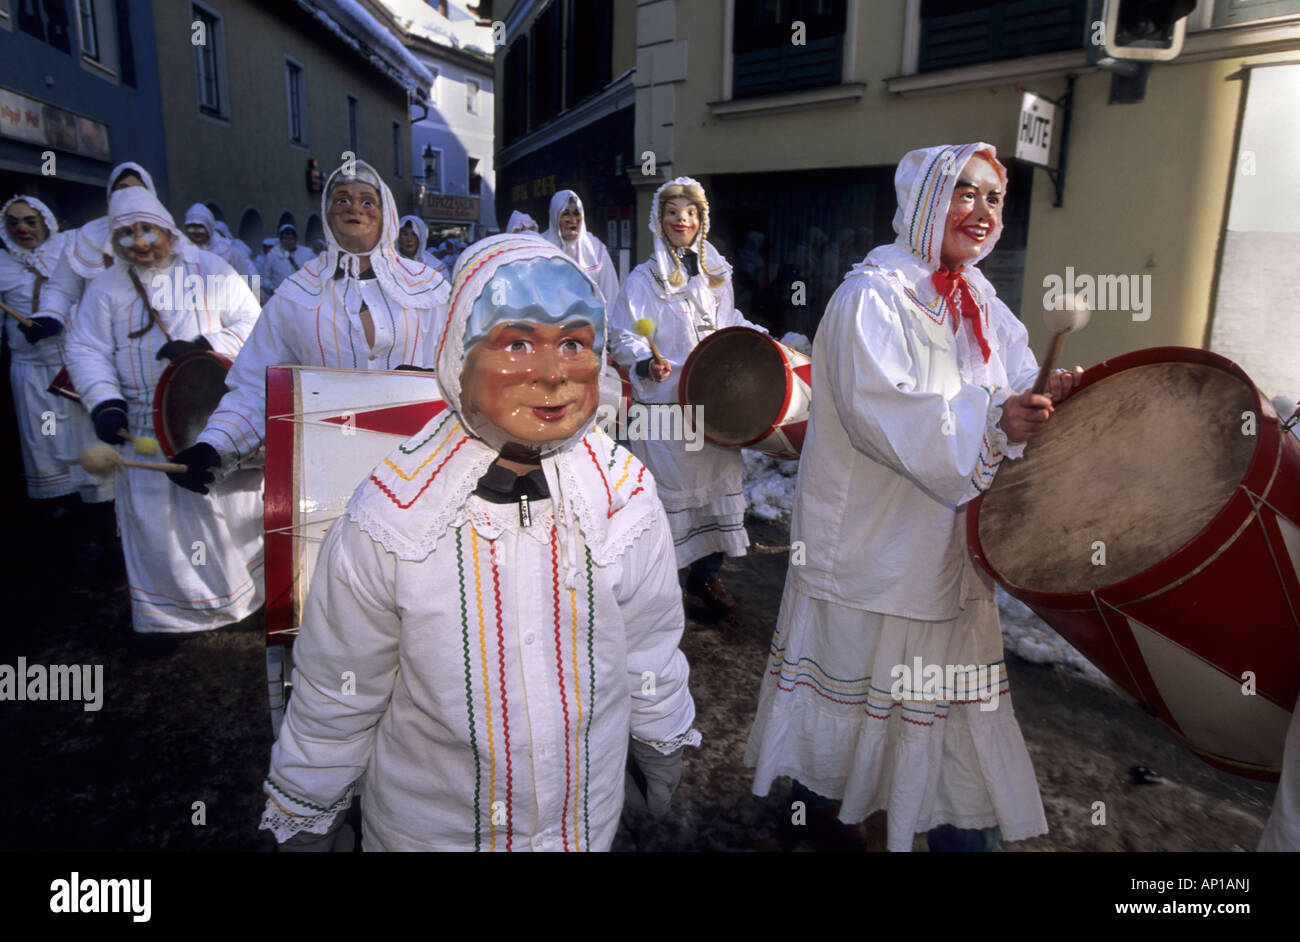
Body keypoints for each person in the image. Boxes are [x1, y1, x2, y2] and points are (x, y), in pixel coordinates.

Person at [259, 232, 699, 851]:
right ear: (456, 358)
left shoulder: (623, 497)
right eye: (516, 343)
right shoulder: (393, 517)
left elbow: (651, 640)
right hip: (433, 831)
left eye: (574, 344)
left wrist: (660, 734)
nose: (551, 375)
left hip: (581, 823)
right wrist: (310, 801)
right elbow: (339, 684)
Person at [745, 143, 1082, 852]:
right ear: (925, 201)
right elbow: (891, 416)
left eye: (994, 197)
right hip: (875, 560)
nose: (983, 211)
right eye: (965, 192)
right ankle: (829, 826)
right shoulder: (872, 296)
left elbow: (1016, 385)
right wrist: (996, 423)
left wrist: (1045, 396)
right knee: (846, 741)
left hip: (949, 563)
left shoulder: (985, 303)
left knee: (949, 739)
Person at [168, 159, 452, 491]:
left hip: (420, 468)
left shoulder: (430, 289)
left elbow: (463, 368)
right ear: (327, 213)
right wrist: (214, 445)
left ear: (385, 212)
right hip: (329, 475)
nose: (354, 209)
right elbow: (256, 386)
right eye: (342, 199)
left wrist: (424, 382)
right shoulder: (297, 294)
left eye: (367, 201)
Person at [63, 186, 264, 633]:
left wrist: (203, 346)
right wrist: (104, 401)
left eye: (147, 230)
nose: (139, 242)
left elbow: (255, 324)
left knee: (223, 516)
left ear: (168, 232)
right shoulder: (105, 286)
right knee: (155, 527)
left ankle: (238, 604)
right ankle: (165, 619)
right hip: (140, 422)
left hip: (208, 418)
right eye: (127, 233)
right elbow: (86, 349)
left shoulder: (211, 270)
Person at [607, 176, 762, 617]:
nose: (682, 219)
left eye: (690, 212)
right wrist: (643, 361)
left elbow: (729, 318)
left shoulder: (717, 272)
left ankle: (705, 576)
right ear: (660, 220)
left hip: (713, 402)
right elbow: (623, 333)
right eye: (672, 212)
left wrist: (754, 342)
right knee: (665, 496)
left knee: (715, 492)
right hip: (666, 407)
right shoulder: (644, 279)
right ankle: (658, 586)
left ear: (702, 220)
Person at [0, 195, 110, 507]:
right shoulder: (2, 265)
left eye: (30, 221)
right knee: (46, 445)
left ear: (47, 223)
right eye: (13, 222)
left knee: (87, 446)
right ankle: (61, 513)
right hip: (33, 373)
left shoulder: (69, 254)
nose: (22, 228)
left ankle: (100, 515)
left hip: (73, 369)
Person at [65, 161, 157, 281]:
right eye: (123, 189)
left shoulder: (166, 235)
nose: (130, 195)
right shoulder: (84, 237)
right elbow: (61, 291)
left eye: (138, 190)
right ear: (110, 196)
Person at [542, 190, 619, 305]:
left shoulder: (595, 249)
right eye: (566, 213)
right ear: (555, 216)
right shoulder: (542, 246)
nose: (572, 221)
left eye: (576, 213)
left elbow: (611, 294)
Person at [182, 203, 259, 282]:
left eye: (200, 227)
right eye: (192, 227)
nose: (196, 232)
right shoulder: (181, 251)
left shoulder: (226, 251)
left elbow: (245, 276)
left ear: (209, 227)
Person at [262, 223, 314, 296]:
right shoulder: (273, 254)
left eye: (291, 239)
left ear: (295, 239)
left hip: (303, 294)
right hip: (281, 295)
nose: (288, 242)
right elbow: (265, 277)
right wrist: (272, 289)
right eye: (285, 238)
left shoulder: (307, 253)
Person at [396, 213, 448, 277]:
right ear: (398, 237)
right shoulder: (391, 263)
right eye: (405, 235)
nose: (409, 239)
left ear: (421, 238)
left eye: (414, 235)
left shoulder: (435, 266)